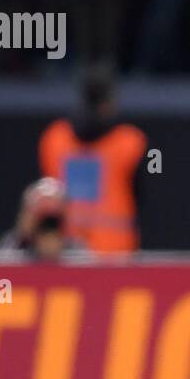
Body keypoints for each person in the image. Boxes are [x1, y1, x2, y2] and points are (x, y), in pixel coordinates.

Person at [39, 66, 147, 255]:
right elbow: (141, 201)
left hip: (65, 255)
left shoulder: (55, 139)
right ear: (108, 103)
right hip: (116, 255)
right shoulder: (130, 143)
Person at [0, 177, 85, 262]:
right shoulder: (13, 246)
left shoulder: (77, 251)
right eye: (41, 215)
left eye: (52, 217)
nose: (47, 224)